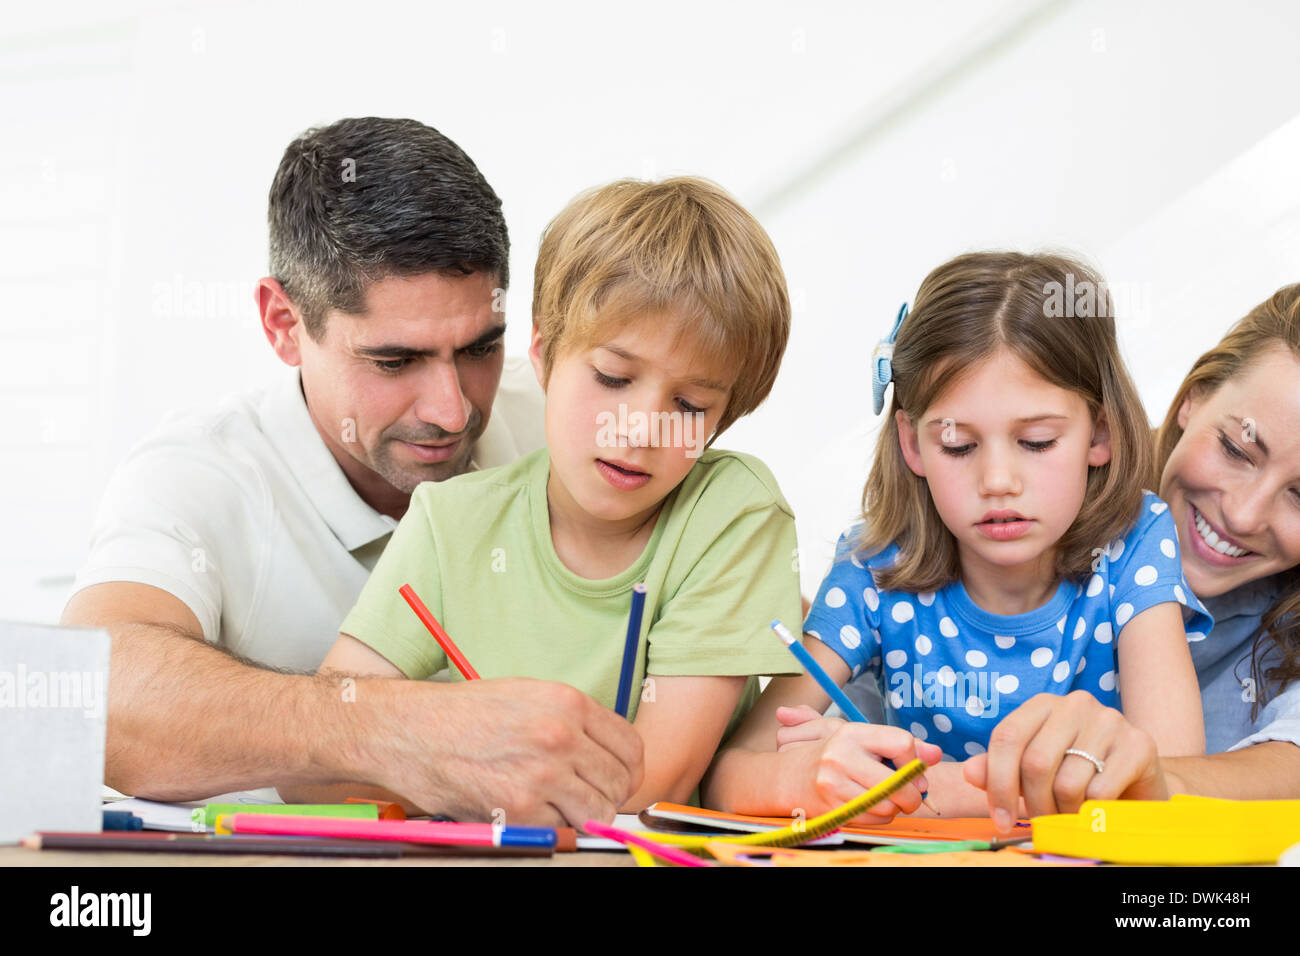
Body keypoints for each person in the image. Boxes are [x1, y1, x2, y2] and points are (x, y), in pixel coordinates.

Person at [61, 117, 643, 826]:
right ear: (283, 323)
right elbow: (93, 691)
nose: (454, 411)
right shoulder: (198, 473)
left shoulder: (567, 419)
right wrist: (398, 730)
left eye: (480, 349)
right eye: (394, 362)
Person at [302, 177, 805, 812]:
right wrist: (456, 743)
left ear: (722, 421)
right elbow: (317, 763)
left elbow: (654, 788)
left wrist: (449, 766)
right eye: (613, 377)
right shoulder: (449, 523)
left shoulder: (732, 513)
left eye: (689, 403)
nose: (640, 429)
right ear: (542, 354)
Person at [702, 251, 1209, 822]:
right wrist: (800, 777)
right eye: (959, 446)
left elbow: (1171, 777)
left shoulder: (1135, 542)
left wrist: (922, 791)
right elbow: (728, 775)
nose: (997, 481)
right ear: (912, 444)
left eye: (1038, 441)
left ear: (1101, 433)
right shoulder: (875, 564)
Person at [969, 283, 1300, 820]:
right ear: (1193, 397)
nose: (1243, 514)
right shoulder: (1025, 509)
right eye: (1236, 450)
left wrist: (1144, 776)